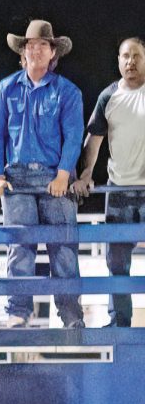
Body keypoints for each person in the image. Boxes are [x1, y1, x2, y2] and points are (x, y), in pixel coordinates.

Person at [0, 19, 85, 328]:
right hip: (16, 178)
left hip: (54, 176)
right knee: (20, 247)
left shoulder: (67, 92)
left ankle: (70, 314)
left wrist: (64, 174)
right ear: (23, 52)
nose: (36, 50)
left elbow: (73, 135)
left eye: (43, 45)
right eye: (30, 45)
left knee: (63, 248)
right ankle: (18, 310)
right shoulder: (6, 89)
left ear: (53, 52)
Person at [73, 37, 145, 327]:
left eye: (137, 56)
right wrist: (86, 173)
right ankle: (120, 320)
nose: (131, 62)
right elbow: (94, 139)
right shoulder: (109, 96)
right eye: (126, 56)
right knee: (116, 260)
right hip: (119, 189)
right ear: (118, 60)